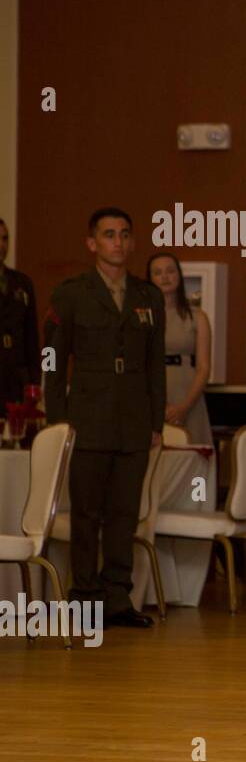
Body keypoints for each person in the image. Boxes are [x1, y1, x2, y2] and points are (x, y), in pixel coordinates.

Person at [43, 207, 166, 628]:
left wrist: (154, 423)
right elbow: (53, 360)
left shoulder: (148, 297)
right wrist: (58, 422)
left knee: (123, 513)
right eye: (109, 234)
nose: (118, 241)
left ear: (132, 243)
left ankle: (117, 598)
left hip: (133, 417)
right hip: (88, 416)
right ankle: (84, 599)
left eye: (124, 234)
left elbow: (155, 366)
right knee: (87, 514)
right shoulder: (72, 293)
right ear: (92, 243)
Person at [146, 252, 213, 446]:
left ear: (179, 275)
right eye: (158, 273)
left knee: (193, 458)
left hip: (188, 394)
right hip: (151, 395)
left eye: (170, 271)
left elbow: (204, 368)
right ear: (150, 279)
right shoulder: (143, 316)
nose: (165, 277)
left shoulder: (197, 316)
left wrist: (184, 407)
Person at [0, 217, 41, 407]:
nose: (2, 245)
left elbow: (31, 336)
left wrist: (34, 381)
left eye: (5, 239)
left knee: (17, 432)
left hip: (16, 376)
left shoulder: (22, 283)